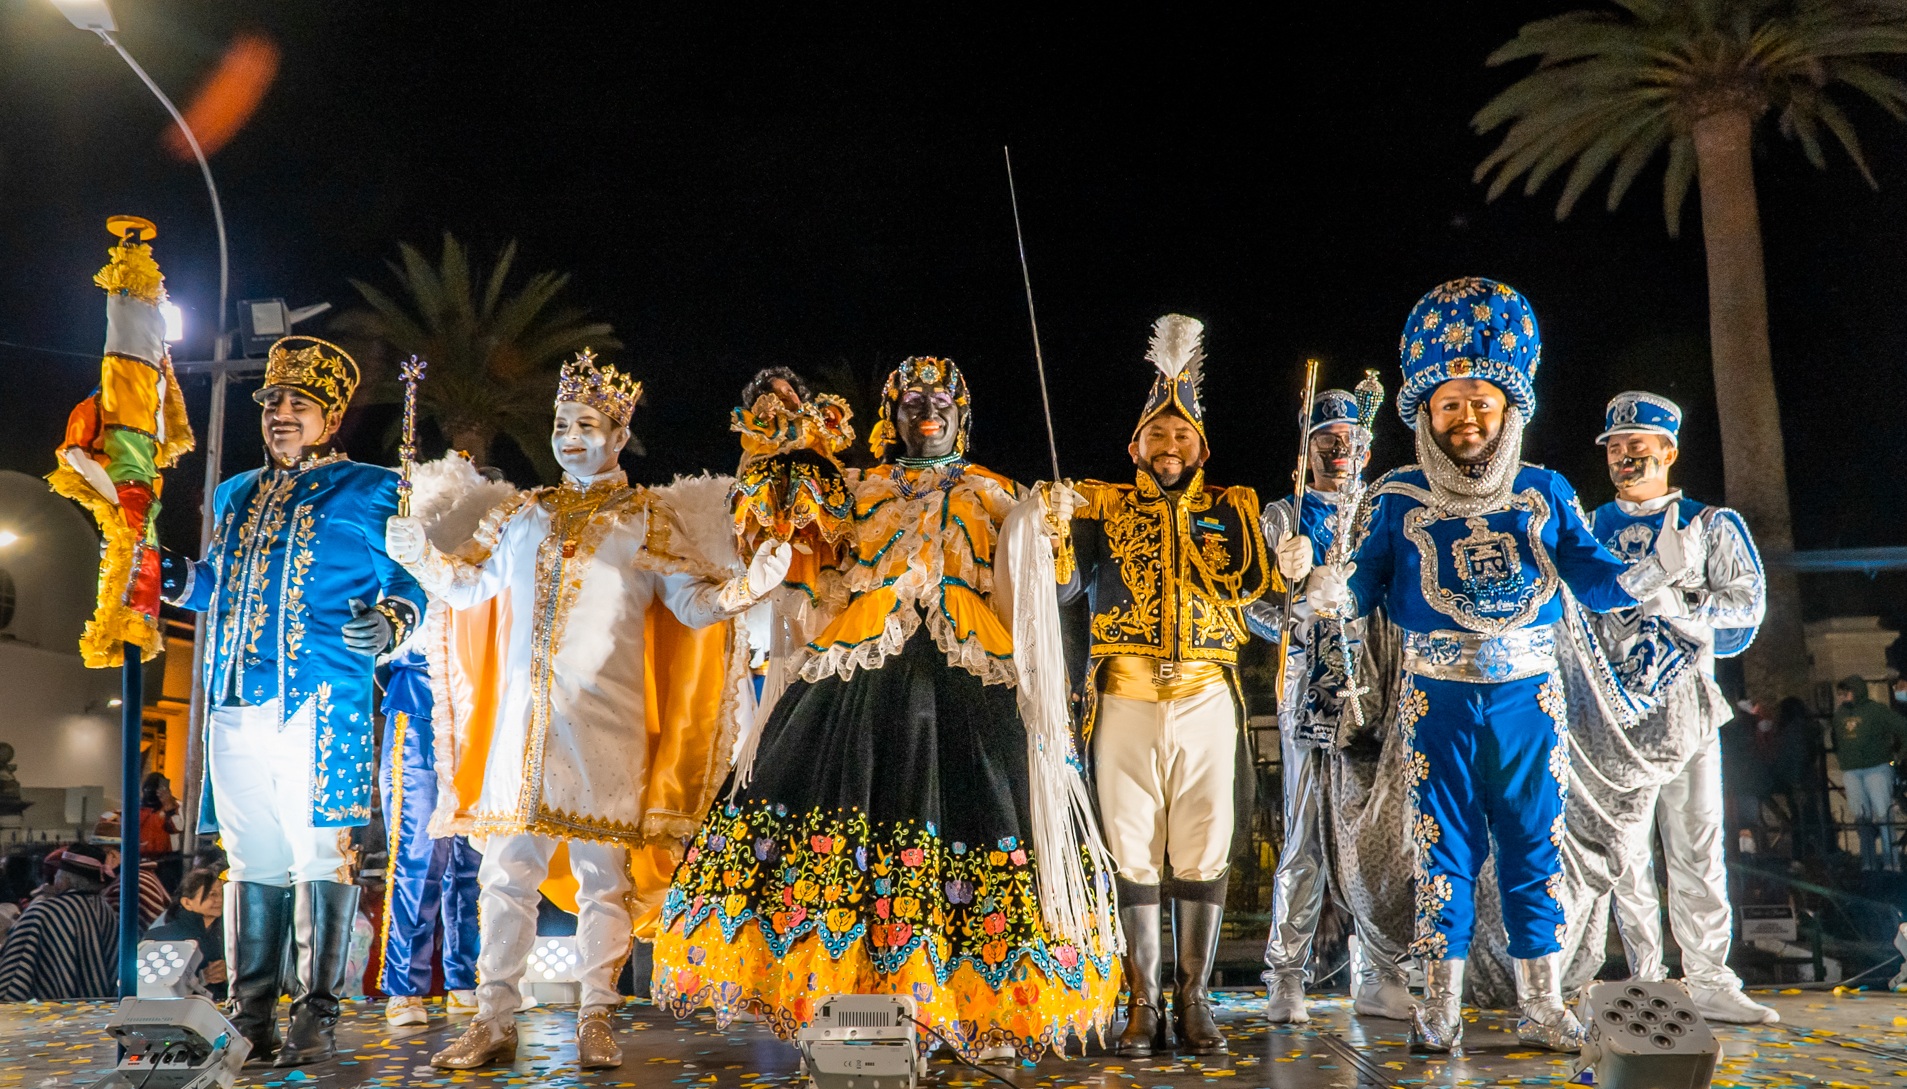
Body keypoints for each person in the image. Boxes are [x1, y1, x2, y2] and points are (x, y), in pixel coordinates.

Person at [654, 355, 1121, 1063]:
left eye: (940, 400)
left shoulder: (996, 492)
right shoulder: (851, 488)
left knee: (984, 817)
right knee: (855, 831)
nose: (925, 412)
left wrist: (1044, 532)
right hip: (858, 676)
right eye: (909, 402)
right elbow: (817, 574)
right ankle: (864, 1022)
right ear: (888, 417)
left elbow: (1048, 591)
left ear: (962, 413)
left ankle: (978, 1014)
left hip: (971, 676)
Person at [1302, 278, 1698, 1052]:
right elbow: (1362, 585)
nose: (1467, 417)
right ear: (1425, 413)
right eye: (1449, 404)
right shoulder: (1392, 495)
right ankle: (1438, 1007)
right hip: (1435, 695)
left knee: (1532, 843)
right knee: (1440, 848)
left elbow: (1590, 577)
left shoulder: (1543, 488)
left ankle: (1543, 1002)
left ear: (1510, 407)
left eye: (1481, 400)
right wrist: (1324, 585)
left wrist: (1655, 570)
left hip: (1526, 695)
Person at [385, 352, 774, 1071]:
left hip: (605, 726)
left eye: (586, 423)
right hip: (519, 729)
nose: (569, 435)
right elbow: (470, 591)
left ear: (618, 435)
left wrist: (747, 588)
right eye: (561, 422)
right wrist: (422, 561)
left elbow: (691, 603)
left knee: (604, 877)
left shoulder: (646, 519)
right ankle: (493, 1015)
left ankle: (598, 1013)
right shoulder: (523, 512)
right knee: (506, 873)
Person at [159, 335, 421, 1065]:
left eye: (298, 403)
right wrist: (171, 578)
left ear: (330, 417)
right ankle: (252, 1012)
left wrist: (391, 620)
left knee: (320, 856)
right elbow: (220, 583)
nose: (279, 413)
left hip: (318, 701)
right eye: (272, 401)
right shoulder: (235, 492)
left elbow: (410, 579)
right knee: (253, 858)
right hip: (235, 697)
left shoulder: (372, 487)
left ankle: (317, 1011)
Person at [1054, 316, 1274, 1057]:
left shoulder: (1233, 507)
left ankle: (1194, 997)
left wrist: (1295, 561)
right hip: (1123, 691)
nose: (1168, 446)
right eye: (1157, 435)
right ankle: (1142, 1002)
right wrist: (1048, 530)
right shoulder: (1098, 505)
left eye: (1181, 436)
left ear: (1200, 448)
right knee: (1130, 847)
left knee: (1203, 845)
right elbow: (1062, 590)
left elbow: (1254, 587)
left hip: (1208, 695)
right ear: (1135, 447)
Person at [1585, 391, 1776, 1024]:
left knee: (1697, 844)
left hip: (1689, 708)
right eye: (1615, 447)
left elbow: (1748, 604)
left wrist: (1686, 610)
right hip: (1615, 719)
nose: (1625, 457)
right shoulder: (1588, 529)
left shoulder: (1709, 523)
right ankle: (1645, 976)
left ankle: (1711, 978)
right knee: (1628, 854)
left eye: (1638, 445)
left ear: (1669, 450)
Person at [1247, 388, 1415, 1024]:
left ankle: (1379, 971)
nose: (1340, 452)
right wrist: (1297, 602)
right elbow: (1252, 606)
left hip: (1382, 684)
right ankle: (1286, 974)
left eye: (1350, 441)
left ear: (1367, 448)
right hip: (1312, 684)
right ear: (1307, 447)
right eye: (1327, 441)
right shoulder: (1280, 517)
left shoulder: (1388, 509)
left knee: (1380, 834)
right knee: (1304, 833)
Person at [377, 641, 482, 1026]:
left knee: (474, 857)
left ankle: (467, 979)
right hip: (420, 699)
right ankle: (405, 988)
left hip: (479, 710)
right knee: (418, 855)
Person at [0, 844, 118, 1000]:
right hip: (101, 1011)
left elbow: (13, 977)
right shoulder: (105, 909)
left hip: (52, 1014)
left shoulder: (43, 913)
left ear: (65, 877)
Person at [1830, 675, 1907, 872]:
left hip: (1877, 768)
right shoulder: (1839, 715)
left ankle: (1891, 862)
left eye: (1844, 693)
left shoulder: (1877, 711)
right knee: (1861, 817)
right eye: (1839, 694)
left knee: (1883, 814)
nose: (1841, 698)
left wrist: (1895, 759)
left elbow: (1902, 729)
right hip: (1853, 770)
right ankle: (1869, 862)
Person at [144, 868, 228, 1000]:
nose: (220, 900)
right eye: (212, 894)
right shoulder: (162, 937)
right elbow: (154, 987)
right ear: (187, 902)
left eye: (222, 894)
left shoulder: (228, 934)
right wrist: (203, 977)